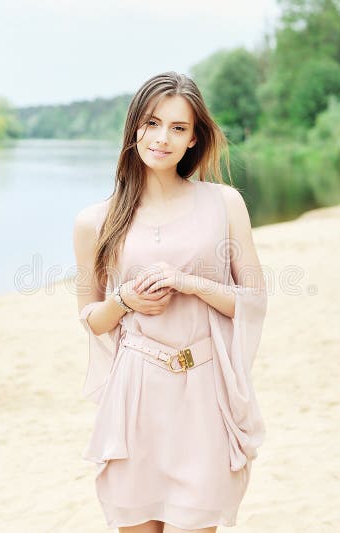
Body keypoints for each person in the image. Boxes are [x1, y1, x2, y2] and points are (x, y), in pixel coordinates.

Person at [72, 71, 268, 533]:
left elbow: (254, 301)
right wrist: (125, 300)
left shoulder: (225, 203)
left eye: (178, 128)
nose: (162, 138)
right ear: (134, 127)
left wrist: (191, 283)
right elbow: (93, 320)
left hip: (203, 394)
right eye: (152, 123)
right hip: (135, 397)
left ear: (193, 138)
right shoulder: (95, 220)